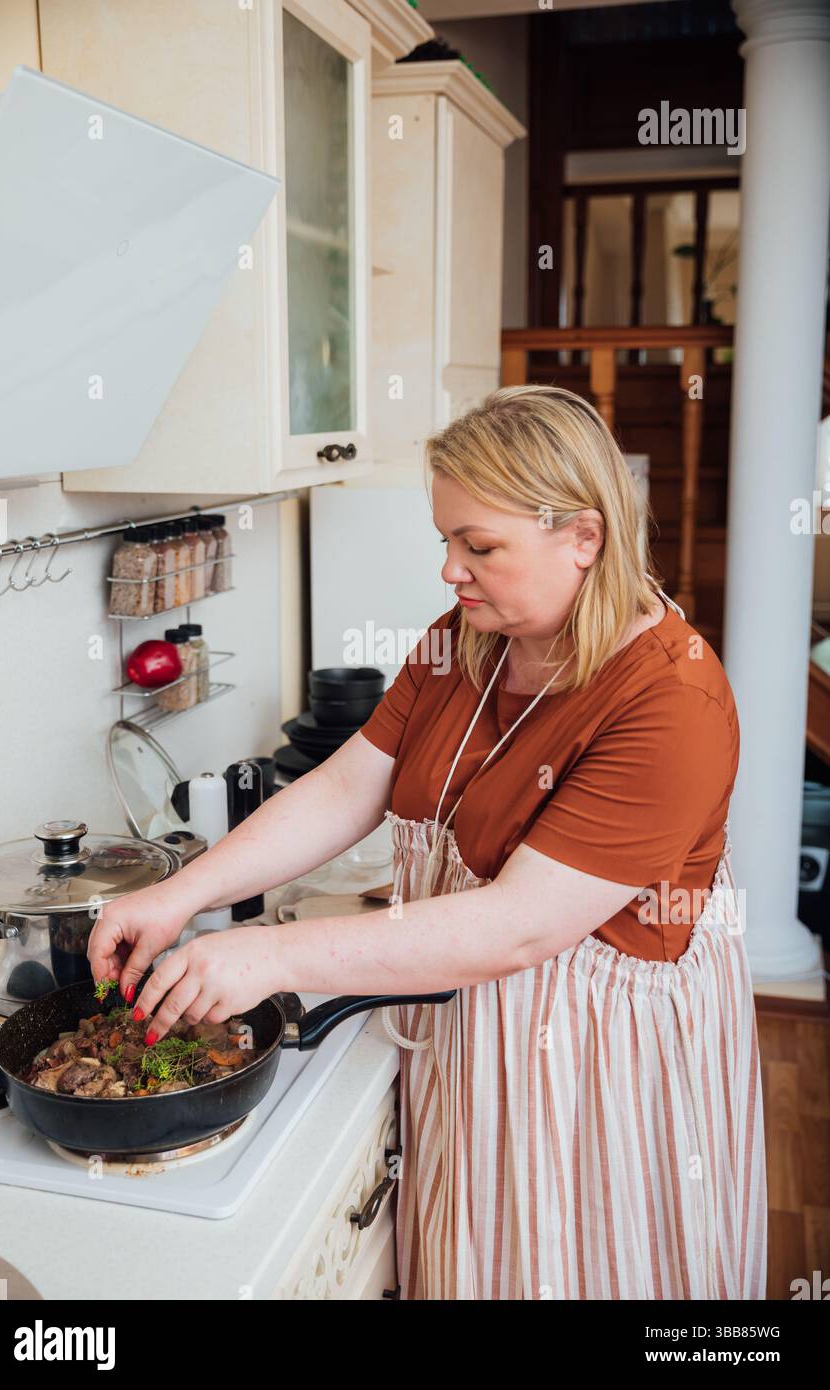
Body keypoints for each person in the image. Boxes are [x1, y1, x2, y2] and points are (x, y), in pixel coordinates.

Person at [88, 384, 767, 1301]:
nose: (451, 570)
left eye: (479, 546)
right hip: (468, 1017)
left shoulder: (669, 703)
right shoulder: (472, 640)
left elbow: (520, 928)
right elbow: (345, 786)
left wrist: (270, 953)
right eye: (447, 539)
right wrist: (179, 895)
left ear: (585, 538)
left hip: (591, 1062)